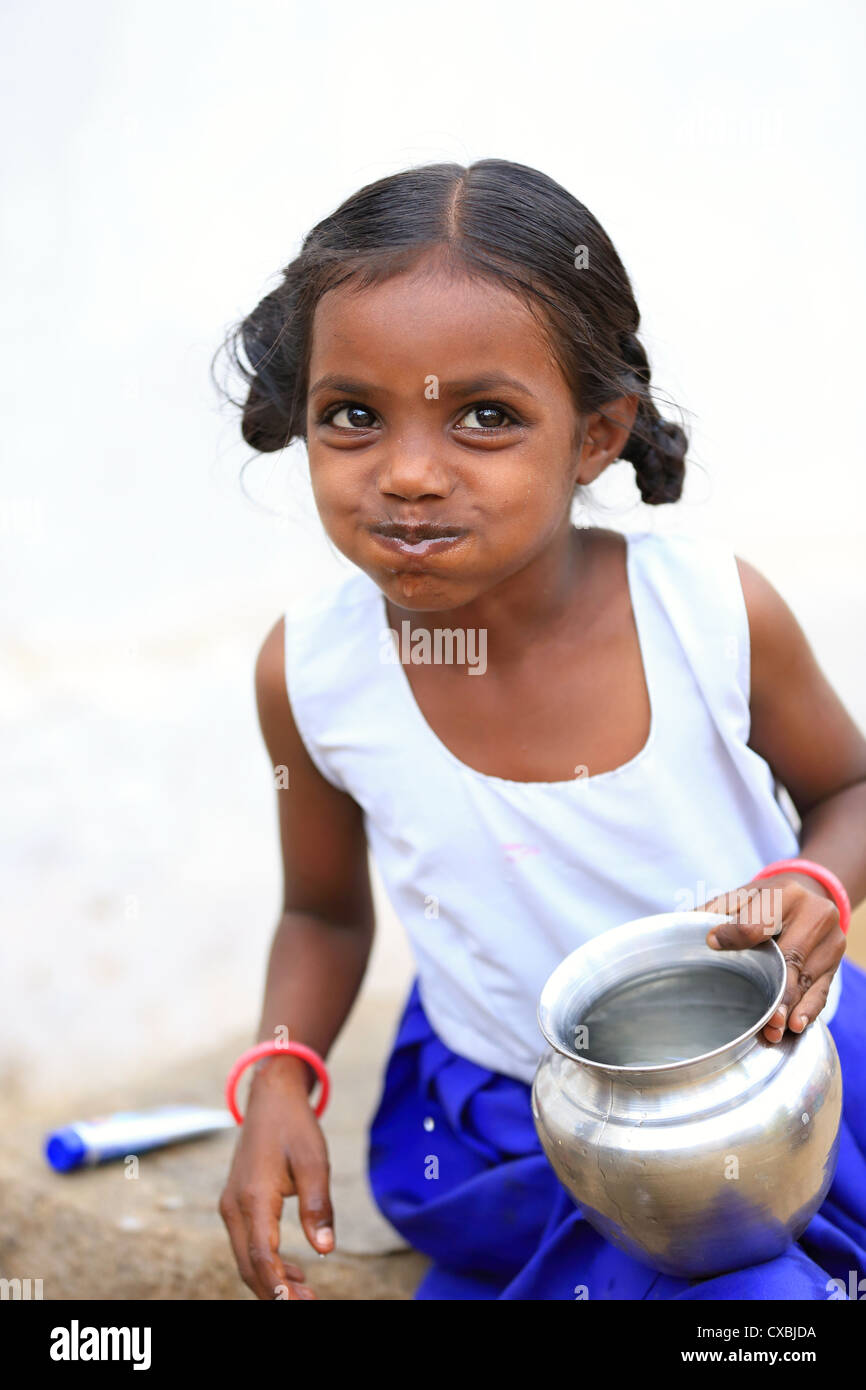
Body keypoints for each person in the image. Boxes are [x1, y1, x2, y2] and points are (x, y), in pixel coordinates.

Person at [215, 159, 866, 1300]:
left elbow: (849, 791)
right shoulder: (311, 671)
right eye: (353, 415)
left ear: (595, 433)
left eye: (484, 417)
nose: (408, 475)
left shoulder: (706, 613)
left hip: (756, 1068)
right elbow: (319, 912)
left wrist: (810, 883)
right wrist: (277, 1071)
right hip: (503, 1114)